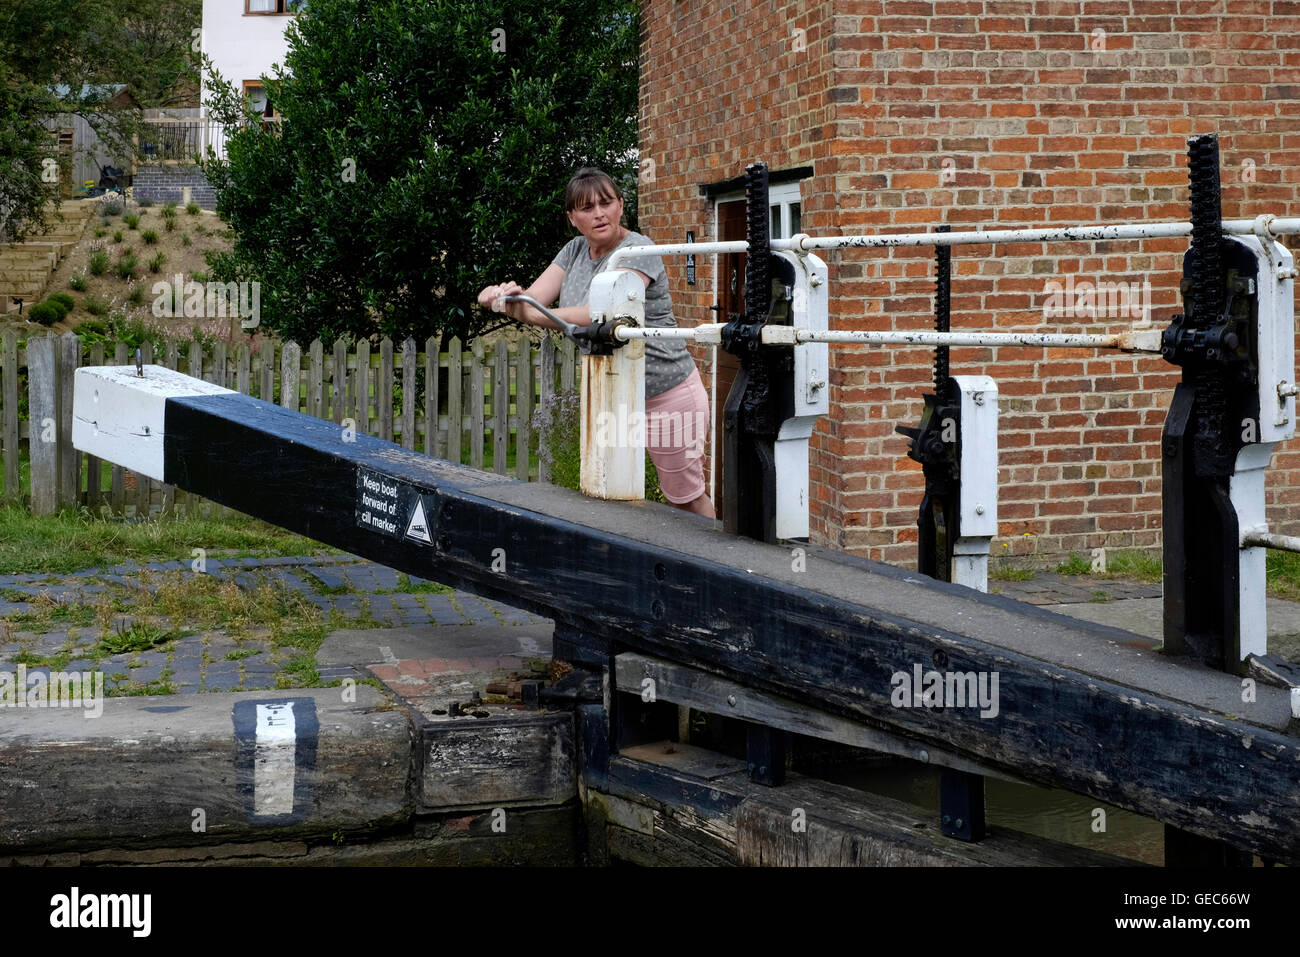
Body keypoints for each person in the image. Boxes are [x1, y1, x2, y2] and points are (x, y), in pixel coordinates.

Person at [477, 167, 715, 518]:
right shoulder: (573, 251)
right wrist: (500, 296)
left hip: (667, 393)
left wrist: (524, 310)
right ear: (573, 218)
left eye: (606, 203)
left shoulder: (638, 249)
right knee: (607, 490)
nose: (599, 213)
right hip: (613, 391)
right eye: (587, 208)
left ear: (621, 205)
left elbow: (599, 316)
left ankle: (718, 566)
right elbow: (533, 299)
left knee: (684, 498)